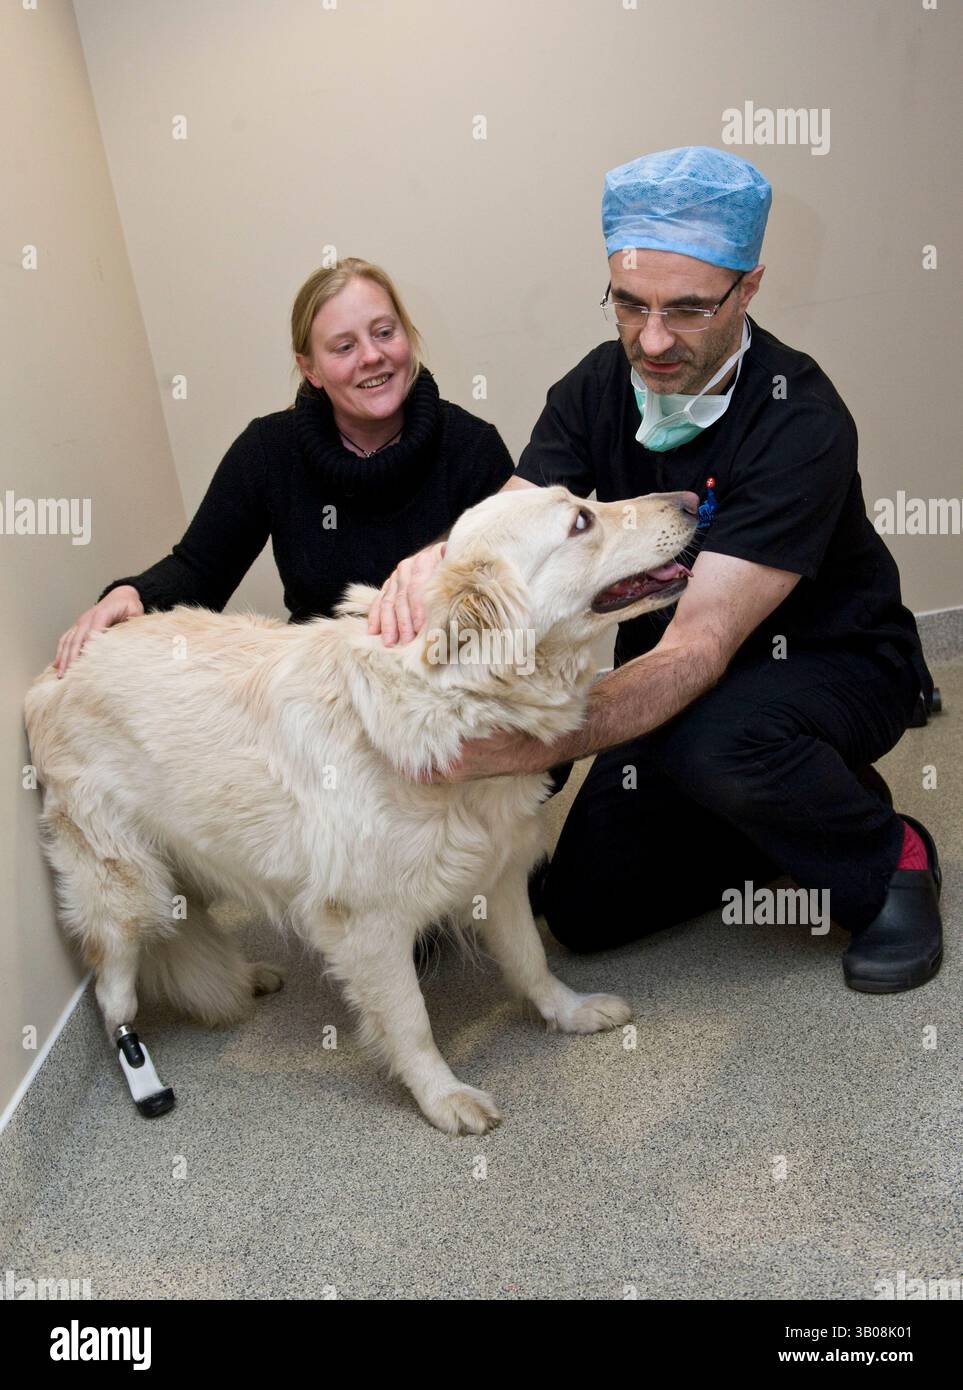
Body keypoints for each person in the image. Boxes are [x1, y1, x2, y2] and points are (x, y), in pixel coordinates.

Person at [369, 147, 942, 995]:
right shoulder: (596, 387)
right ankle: (782, 808)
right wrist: (438, 565)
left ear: (747, 289)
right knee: (585, 912)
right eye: (628, 305)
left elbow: (697, 651)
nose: (652, 339)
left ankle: (885, 855)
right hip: (680, 687)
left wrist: (517, 744)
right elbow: (517, 519)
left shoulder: (800, 419)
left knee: (716, 737)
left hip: (835, 664)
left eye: (686, 310)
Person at [53, 257, 515, 674]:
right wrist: (132, 594)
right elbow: (200, 570)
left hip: (448, 688)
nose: (371, 356)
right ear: (310, 369)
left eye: (383, 332)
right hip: (326, 692)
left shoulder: (472, 447)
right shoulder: (268, 450)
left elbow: (516, 609)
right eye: (343, 347)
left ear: (407, 338)